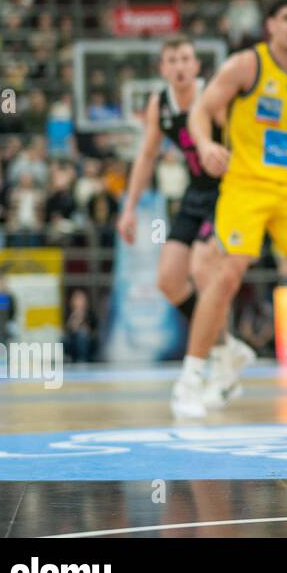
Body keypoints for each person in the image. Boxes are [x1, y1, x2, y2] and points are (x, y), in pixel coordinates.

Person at [173, 0, 287, 417]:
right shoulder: (246, 67)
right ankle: (191, 378)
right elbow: (200, 112)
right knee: (226, 274)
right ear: (270, 25)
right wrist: (204, 145)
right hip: (246, 186)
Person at [117, 37, 253, 387]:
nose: (179, 66)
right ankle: (226, 345)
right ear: (163, 69)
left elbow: (244, 141)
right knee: (169, 281)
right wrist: (129, 208)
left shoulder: (214, 97)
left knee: (204, 268)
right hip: (195, 192)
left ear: (196, 66)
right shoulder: (159, 104)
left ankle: (216, 363)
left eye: (186, 59)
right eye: (172, 60)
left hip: (228, 191)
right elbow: (147, 157)